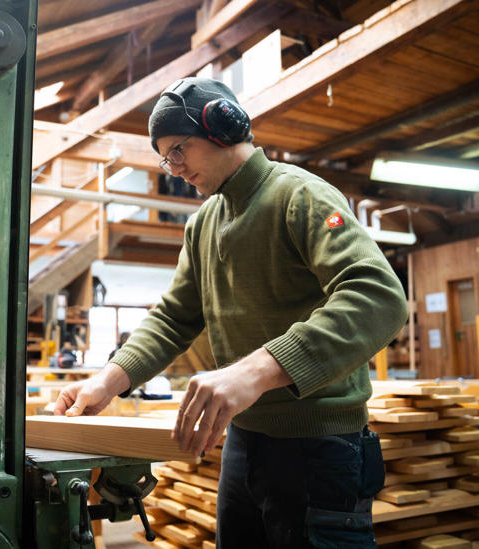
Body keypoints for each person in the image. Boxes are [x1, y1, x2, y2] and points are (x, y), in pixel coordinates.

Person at [54, 77, 408, 547]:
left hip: (319, 446)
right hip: (244, 441)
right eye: (166, 157)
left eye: (179, 150)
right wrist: (110, 379)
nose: (174, 168)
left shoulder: (299, 196)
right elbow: (174, 317)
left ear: (223, 127)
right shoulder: (203, 223)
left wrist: (259, 370)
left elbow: (378, 296)